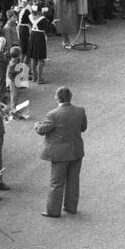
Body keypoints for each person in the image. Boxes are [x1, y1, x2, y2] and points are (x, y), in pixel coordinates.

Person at [36, 86, 88, 218]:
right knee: (73, 180)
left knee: (56, 183)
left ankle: (53, 210)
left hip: (59, 153)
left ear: (57, 98)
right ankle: (71, 207)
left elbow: (41, 130)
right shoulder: (80, 111)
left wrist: (36, 125)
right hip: (76, 150)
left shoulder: (53, 114)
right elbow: (83, 128)